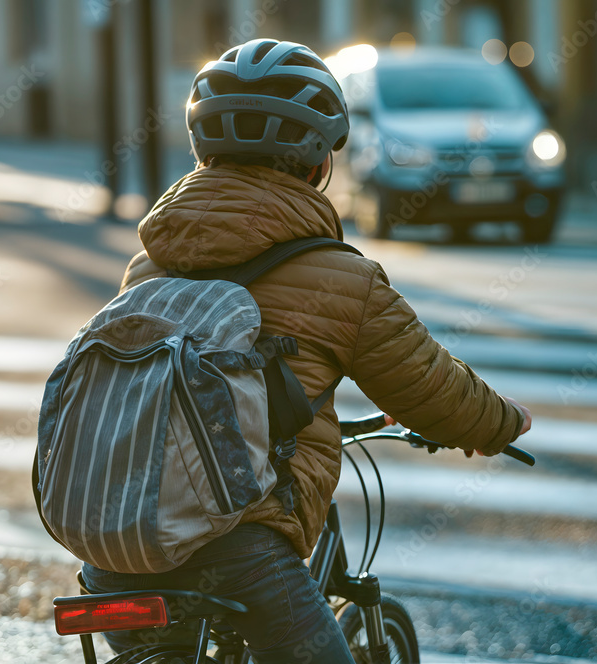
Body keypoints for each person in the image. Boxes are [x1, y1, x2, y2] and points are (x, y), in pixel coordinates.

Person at [81, 38, 532, 663]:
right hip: (237, 553)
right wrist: (500, 423)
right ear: (318, 159)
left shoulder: (149, 263)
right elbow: (431, 387)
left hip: (112, 546)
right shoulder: (341, 277)